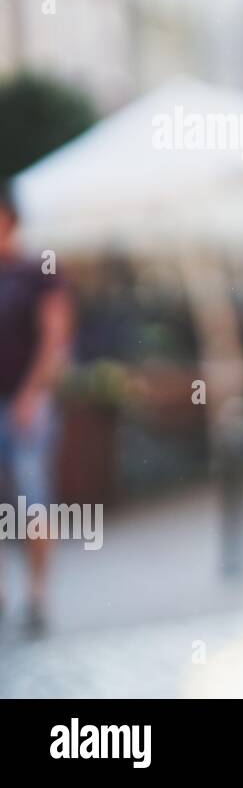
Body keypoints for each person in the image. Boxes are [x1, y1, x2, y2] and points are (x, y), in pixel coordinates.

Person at [0, 180, 74, 637]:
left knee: (32, 502)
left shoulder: (37, 271)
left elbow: (55, 338)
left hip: (26, 404)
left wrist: (31, 394)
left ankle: (37, 596)